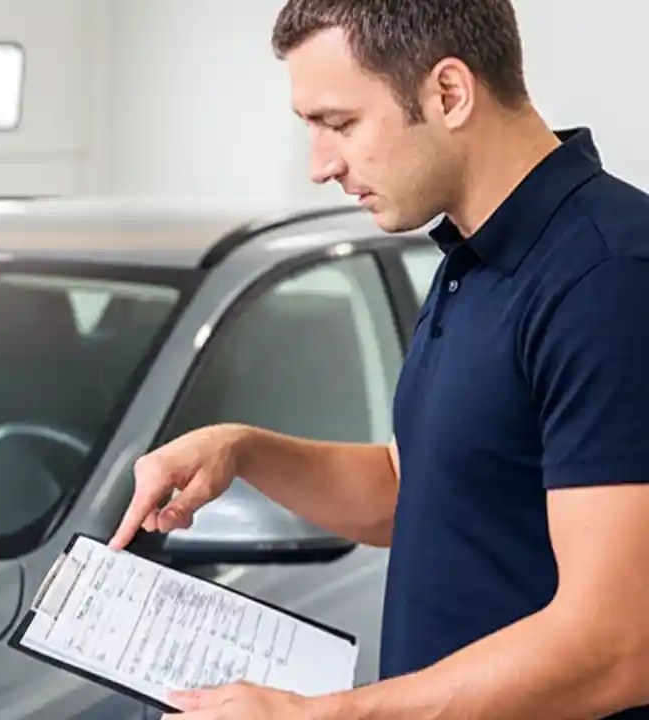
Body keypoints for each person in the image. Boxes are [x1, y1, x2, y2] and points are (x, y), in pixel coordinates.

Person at [107, 1, 649, 718]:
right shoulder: (475, 255)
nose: (320, 166)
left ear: (449, 93)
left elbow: (620, 647)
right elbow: (413, 489)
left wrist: (320, 714)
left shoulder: (608, 276)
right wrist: (243, 451)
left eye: (339, 123)